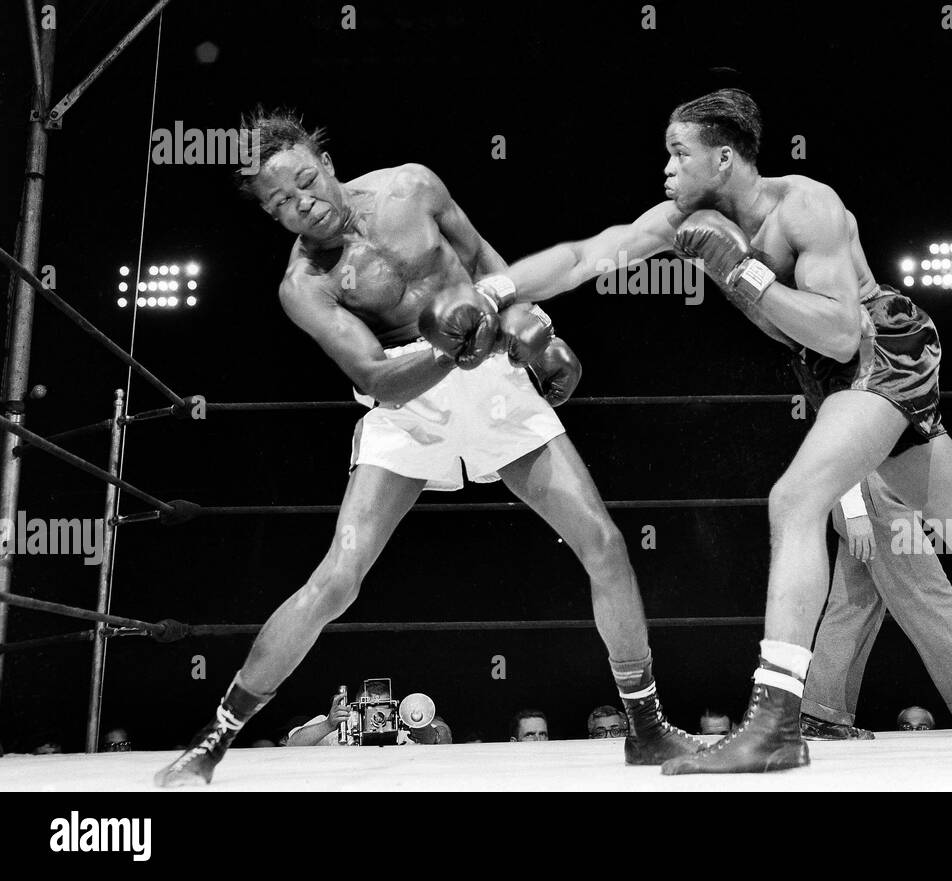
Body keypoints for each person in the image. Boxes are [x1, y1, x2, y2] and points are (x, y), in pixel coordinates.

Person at [496, 87, 952, 774]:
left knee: (793, 502)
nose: (665, 167)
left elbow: (844, 334)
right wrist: (493, 290)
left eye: (678, 151)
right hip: (841, 375)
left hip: (883, 348)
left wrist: (745, 275)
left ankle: (777, 721)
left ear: (724, 157)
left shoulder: (806, 205)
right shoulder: (679, 219)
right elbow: (587, 254)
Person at [154, 112, 702, 787]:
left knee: (605, 544)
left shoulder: (413, 187)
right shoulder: (304, 285)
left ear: (325, 160)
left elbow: (484, 261)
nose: (304, 205)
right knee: (336, 578)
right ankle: (215, 738)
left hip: (494, 377)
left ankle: (646, 729)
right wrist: (448, 345)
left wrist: (537, 330)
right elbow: (374, 376)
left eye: (304, 181)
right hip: (410, 401)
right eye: (282, 204)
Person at [801, 474, 952, 740]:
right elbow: (846, 438)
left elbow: (928, 437)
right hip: (874, 493)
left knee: (852, 609)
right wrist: (856, 512)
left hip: (867, 495)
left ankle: (820, 716)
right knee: (931, 598)